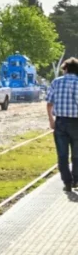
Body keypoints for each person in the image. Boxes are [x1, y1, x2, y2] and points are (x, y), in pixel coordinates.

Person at [47, 57, 78, 192]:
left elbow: (49, 103)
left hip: (60, 122)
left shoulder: (56, 82)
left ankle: (67, 182)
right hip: (76, 122)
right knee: (77, 154)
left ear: (65, 69)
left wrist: (51, 120)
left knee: (62, 154)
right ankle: (76, 180)